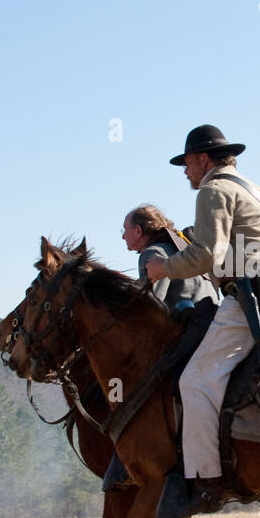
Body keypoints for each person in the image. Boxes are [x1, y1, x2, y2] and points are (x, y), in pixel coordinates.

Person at [145, 124, 260, 518]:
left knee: (193, 381)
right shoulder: (254, 190)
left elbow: (206, 257)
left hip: (249, 298)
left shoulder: (214, 190)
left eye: (187, 164)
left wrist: (164, 268)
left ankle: (207, 482)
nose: (185, 173)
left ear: (202, 160)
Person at [101, 204, 218, 493]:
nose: (123, 237)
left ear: (139, 231)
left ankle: (128, 461)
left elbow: (149, 308)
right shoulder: (177, 248)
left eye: (125, 231)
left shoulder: (151, 255)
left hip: (185, 332)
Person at [121, 204, 216, 312]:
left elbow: (150, 304)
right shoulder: (180, 249)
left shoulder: (152, 253)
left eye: (124, 229)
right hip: (214, 321)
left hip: (189, 325)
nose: (123, 236)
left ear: (138, 231)